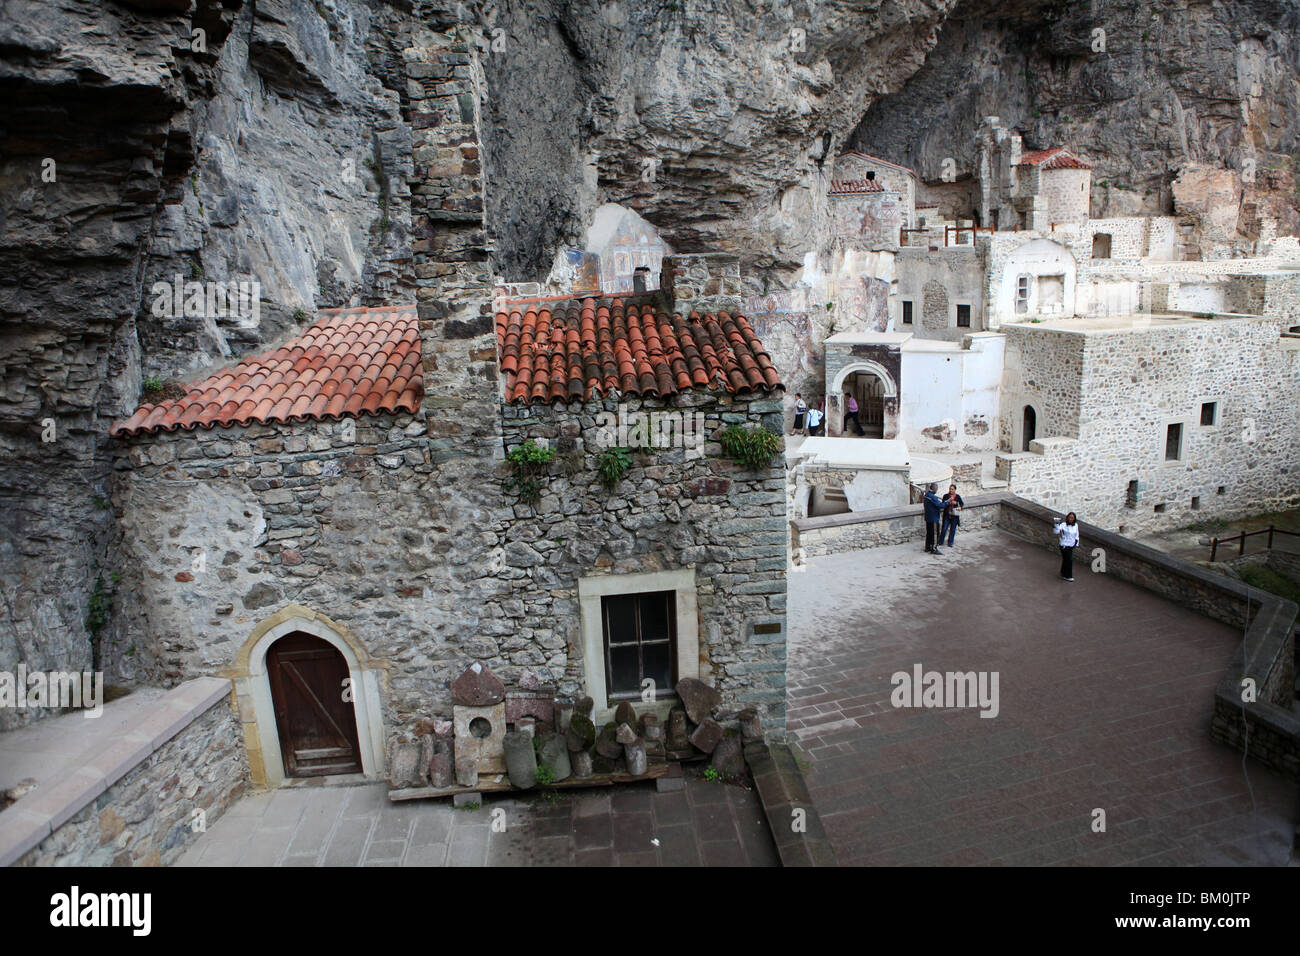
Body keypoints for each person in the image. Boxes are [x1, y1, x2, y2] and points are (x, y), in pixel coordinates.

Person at [1053, 511, 1080, 581]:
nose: (1071, 519)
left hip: (1071, 545)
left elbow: (1077, 535)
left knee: (1066, 559)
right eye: (1069, 517)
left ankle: (1063, 572)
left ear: (1074, 519)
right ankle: (1068, 576)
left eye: (1072, 518)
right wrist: (1056, 523)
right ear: (1067, 518)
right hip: (1064, 545)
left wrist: (1076, 543)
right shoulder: (1063, 525)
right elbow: (1056, 532)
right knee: (1069, 560)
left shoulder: (1076, 525)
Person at [922, 482, 946, 555]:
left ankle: (927, 547)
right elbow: (940, 505)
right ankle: (934, 548)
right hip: (934, 518)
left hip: (928, 517)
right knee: (935, 534)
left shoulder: (926, 495)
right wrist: (947, 502)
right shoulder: (933, 497)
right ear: (935, 488)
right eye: (937, 489)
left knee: (929, 533)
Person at [940, 483, 964, 548]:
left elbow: (962, 504)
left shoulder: (957, 496)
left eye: (952, 489)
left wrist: (960, 507)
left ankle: (950, 542)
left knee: (953, 529)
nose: (951, 490)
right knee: (944, 528)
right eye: (950, 489)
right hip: (947, 515)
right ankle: (941, 541)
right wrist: (949, 502)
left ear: (955, 490)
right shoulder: (945, 496)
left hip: (954, 515)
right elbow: (943, 504)